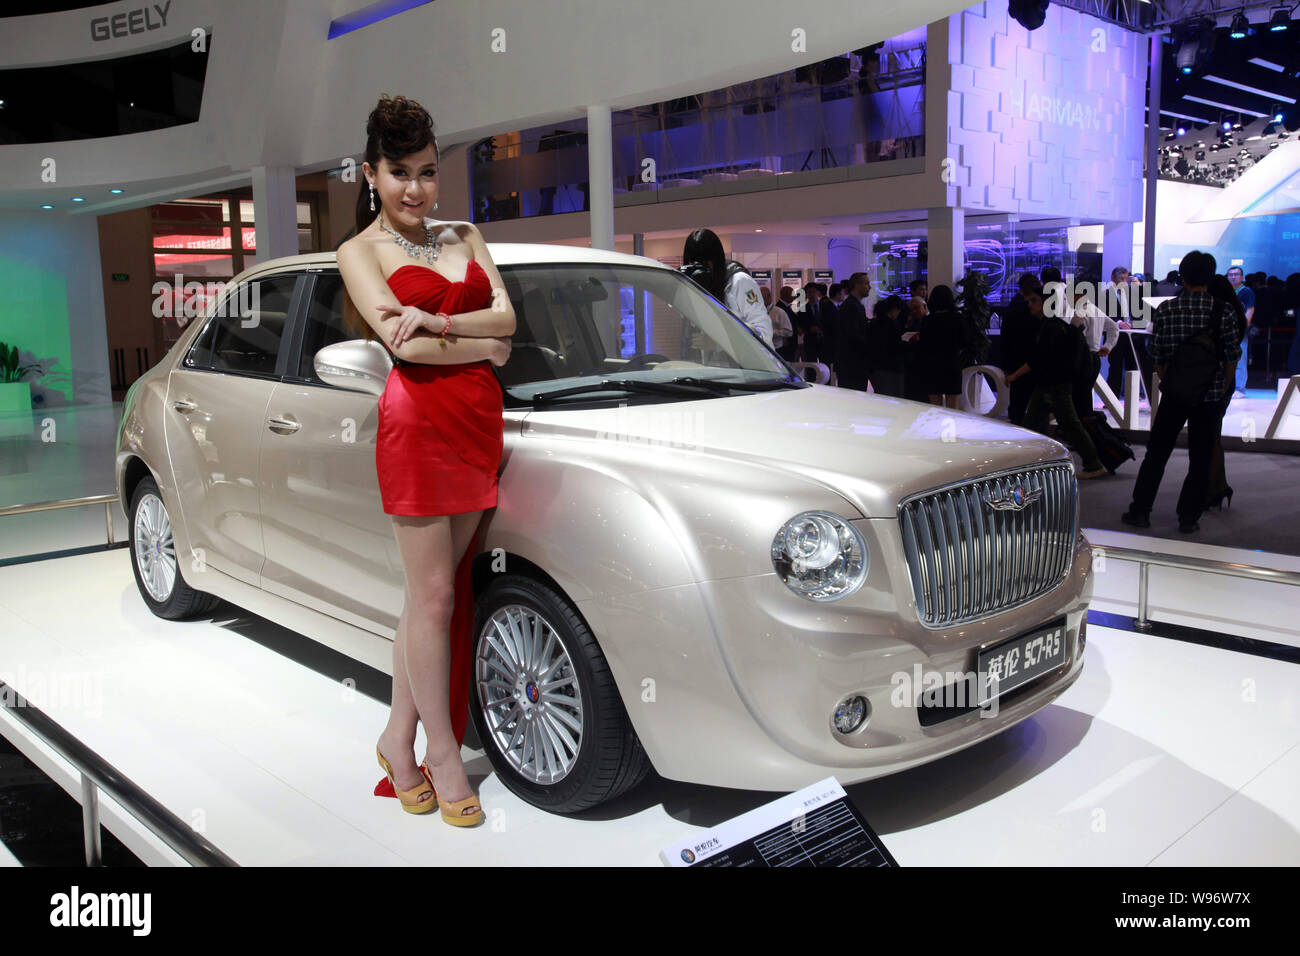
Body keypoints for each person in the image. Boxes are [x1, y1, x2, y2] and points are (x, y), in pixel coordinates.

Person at [337, 95, 514, 824]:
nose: (416, 189)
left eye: (428, 173)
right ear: (372, 174)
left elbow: (508, 328)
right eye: (400, 173)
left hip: (477, 423)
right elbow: (403, 349)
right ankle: (442, 752)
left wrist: (443, 322)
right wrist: (476, 340)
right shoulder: (359, 251)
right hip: (416, 427)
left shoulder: (466, 233)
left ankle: (395, 738)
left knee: (430, 597)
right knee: (435, 597)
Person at [1121, 251, 1241, 533]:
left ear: (1182, 277)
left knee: (1157, 453)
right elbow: (1232, 356)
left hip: (1175, 393)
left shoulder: (1166, 310)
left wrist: (1170, 382)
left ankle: (1140, 511)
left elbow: (1158, 356)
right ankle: (1189, 517)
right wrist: (1221, 387)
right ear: (1211, 277)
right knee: (1200, 456)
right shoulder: (1223, 311)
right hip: (1209, 395)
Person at [1004, 286, 1108, 479]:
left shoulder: (1051, 328)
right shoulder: (1052, 326)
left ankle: (1093, 464)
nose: (1030, 304)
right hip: (1050, 384)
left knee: (1068, 424)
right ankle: (1025, 464)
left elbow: (1038, 360)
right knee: (1033, 424)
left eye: (1034, 301)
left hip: (1055, 385)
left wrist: (1014, 376)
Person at [681, 228, 774, 347]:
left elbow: (763, 334)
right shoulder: (696, 284)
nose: (699, 270)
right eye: (694, 264)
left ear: (716, 259)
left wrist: (720, 342)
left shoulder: (740, 282)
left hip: (746, 364)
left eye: (704, 263)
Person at [1204, 274, 1248, 511]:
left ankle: (1216, 487)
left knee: (1209, 438)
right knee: (1213, 436)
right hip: (1223, 382)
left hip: (1211, 381)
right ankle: (1218, 486)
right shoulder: (1236, 315)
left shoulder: (1220, 314)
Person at [1068, 274, 1120, 420]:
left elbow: (1076, 340)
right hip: (1095, 358)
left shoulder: (1078, 314)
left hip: (1081, 358)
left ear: (1079, 295)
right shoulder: (1096, 309)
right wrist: (1108, 346)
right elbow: (1114, 328)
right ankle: (1089, 427)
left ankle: (1082, 430)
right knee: (1086, 394)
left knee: (1078, 396)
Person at [1000, 272, 1042, 424]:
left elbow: (1005, 336)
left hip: (1016, 359)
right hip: (1029, 361)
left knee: (1018, 400)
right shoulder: (1034, 314)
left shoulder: (1013, 306)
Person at [916, 284, 963, 408]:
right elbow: (964, 342)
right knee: (953, 405)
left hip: (932, 366)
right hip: (952, 364)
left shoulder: (927, 320)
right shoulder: (958, 318)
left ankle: (936, 427)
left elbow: (923, 344)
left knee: (935, 406)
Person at [835, 272, 872, 391]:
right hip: (852, 364)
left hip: (851, 363)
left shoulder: (853, 304)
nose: (869, 287)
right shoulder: (852, 306)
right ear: (857, 285)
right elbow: (853, 335)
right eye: (867, 283)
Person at [866, 296, 906, 397]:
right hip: (890, 370)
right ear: (895, 309)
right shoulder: (892, 325)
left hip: (874, 368)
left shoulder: (873, 323)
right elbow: (896, 347)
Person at [1226, 265, 1254, 396]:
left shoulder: (1247, 291)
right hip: (1226, 329)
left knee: (1240, 360)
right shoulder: (1226, 291)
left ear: (1242, 277)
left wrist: (1244, 326)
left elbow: (1250, 310)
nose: (1233, 277)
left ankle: (1240, 388)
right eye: (1230, 274)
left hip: (1240, 330)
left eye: (1236, 274)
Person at [763, 286, 794, 359]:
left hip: (777, 349)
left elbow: (788, 332)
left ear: (769, 297)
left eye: (762, 298)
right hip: (762, 349)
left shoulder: (779, 312)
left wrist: (771, 332)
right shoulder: (757, 312)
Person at [774, 286, 799, 361]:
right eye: (792, 294)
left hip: (791, 342)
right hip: (786, 344)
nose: (794, 296)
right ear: (786, 295)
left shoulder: (787, 307)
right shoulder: (780, 308)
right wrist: (785, 338)